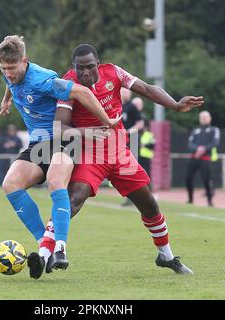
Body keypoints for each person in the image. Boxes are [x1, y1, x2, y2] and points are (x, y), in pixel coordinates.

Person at [39, 43, 204, 275]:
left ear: (98, 63)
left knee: (149, 205)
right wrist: (87, 133)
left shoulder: (114, 72)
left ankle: (165, 255)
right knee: (73, 199)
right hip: (90, 155)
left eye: (89, 67)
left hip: (119, 154)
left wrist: (174, 105)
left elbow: (146, 89)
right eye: (79, 68)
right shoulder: (69, 84)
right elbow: (59, 127)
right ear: (73, 68)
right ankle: (45, 253)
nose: (84, 72)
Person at [0, 35, 121, 279]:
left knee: (55, 181)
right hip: (38, 142)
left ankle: (60, 249)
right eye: (3, 69)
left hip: (64, 139)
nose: (8, 74)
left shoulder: (44, 80)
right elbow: (10, 84)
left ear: (25, 61)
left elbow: (82, 92)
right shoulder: (9, 70)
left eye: (12, 68)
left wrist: (106, 120)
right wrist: (6, 100)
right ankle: (44, 244)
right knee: (10, 184)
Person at [185, 111, 220, 207]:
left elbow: (215, 143)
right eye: (202, 117)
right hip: (194, 158)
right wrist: (197, 149)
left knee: (207, 179)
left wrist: (203, 149)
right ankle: (190, 199)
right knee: (188, 178)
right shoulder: (195, 131)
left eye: (206, 117)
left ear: (210, 118)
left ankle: (209, 200)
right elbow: (190, 143)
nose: (204, 119)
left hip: (205, 158)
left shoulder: (214, 130)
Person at [139, 120, 155, 190]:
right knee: (140, 172)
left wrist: (144, 145)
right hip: (140, 156)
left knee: (147, 172)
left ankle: (149, 186)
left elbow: (153, 145)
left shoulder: (150, 135)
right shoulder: (140, 134)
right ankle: (142, 186)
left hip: (147, 156)